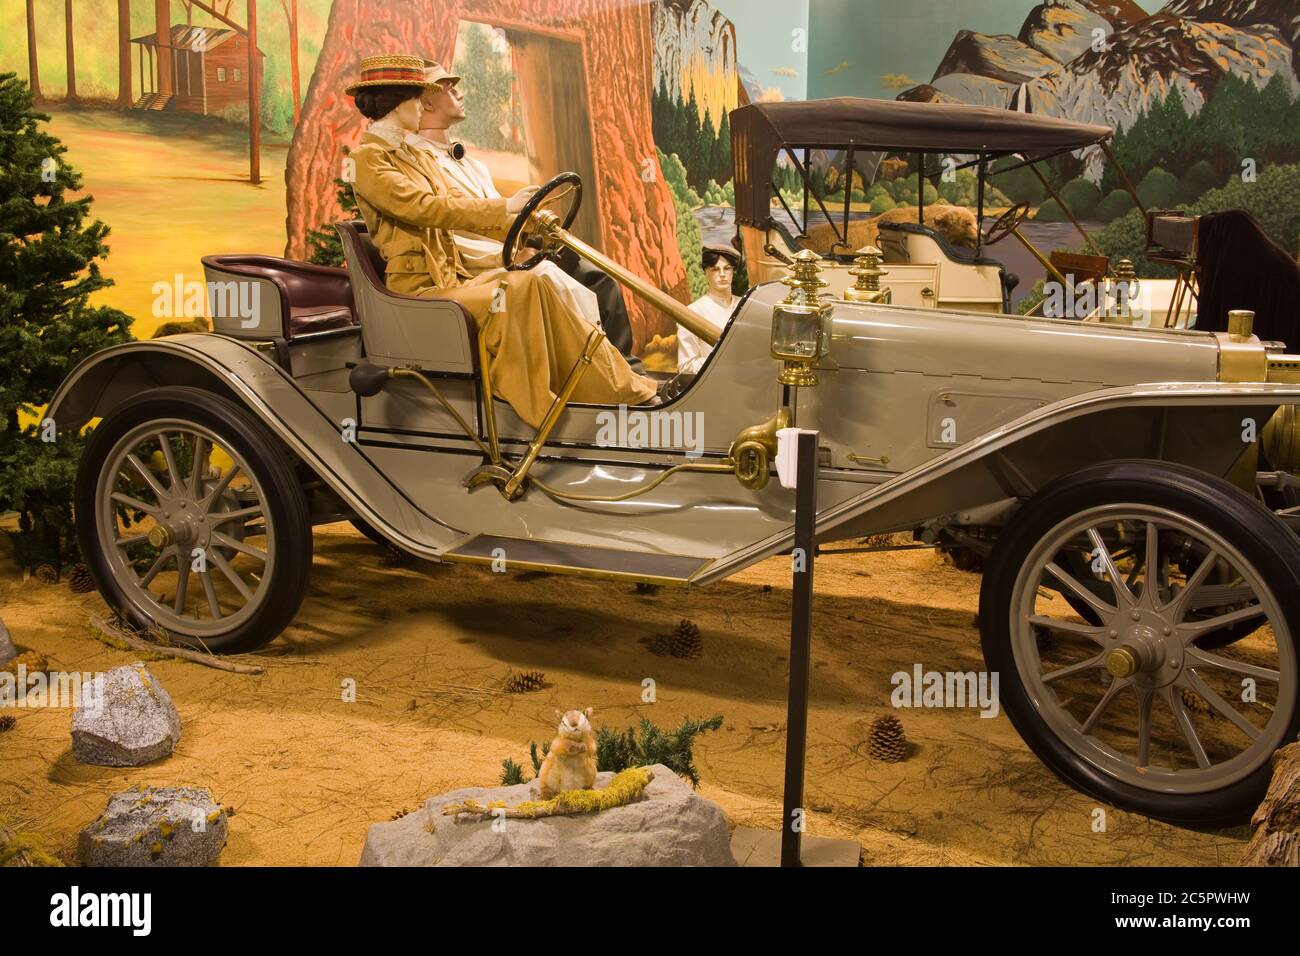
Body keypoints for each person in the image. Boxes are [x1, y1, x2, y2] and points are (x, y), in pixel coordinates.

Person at [345, 55, 658, 429]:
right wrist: (505, 207)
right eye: (417, 98)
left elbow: (459, 206)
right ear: (399, 101)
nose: (420, 107)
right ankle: (540, 410)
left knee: (536, 284)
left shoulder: (414, 155)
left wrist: (520, 224)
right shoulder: (369, 159)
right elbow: (424, 207)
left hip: (453, 283)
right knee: (512, 293)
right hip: (420, 293)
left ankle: (618, 389)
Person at [411, 61, 637, 357]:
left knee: (595, 276)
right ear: (426, 101)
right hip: (480, 268)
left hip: (509, 253)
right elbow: (450, 232)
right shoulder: (418, 164)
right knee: (556, 282)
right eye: (449, 88)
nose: (460, 93)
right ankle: (594, 371)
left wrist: (529, 230)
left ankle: (625, 365)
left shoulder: (470, 163)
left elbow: (499, 218)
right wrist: (508, 257)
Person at [677, 244, 741, 374]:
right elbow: (686, 366)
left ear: (733, 270)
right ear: (705, 271)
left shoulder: (745, 306)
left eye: (727, 268)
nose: (722, 274)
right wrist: (722, 361)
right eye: (715, 269)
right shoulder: (693, 312)